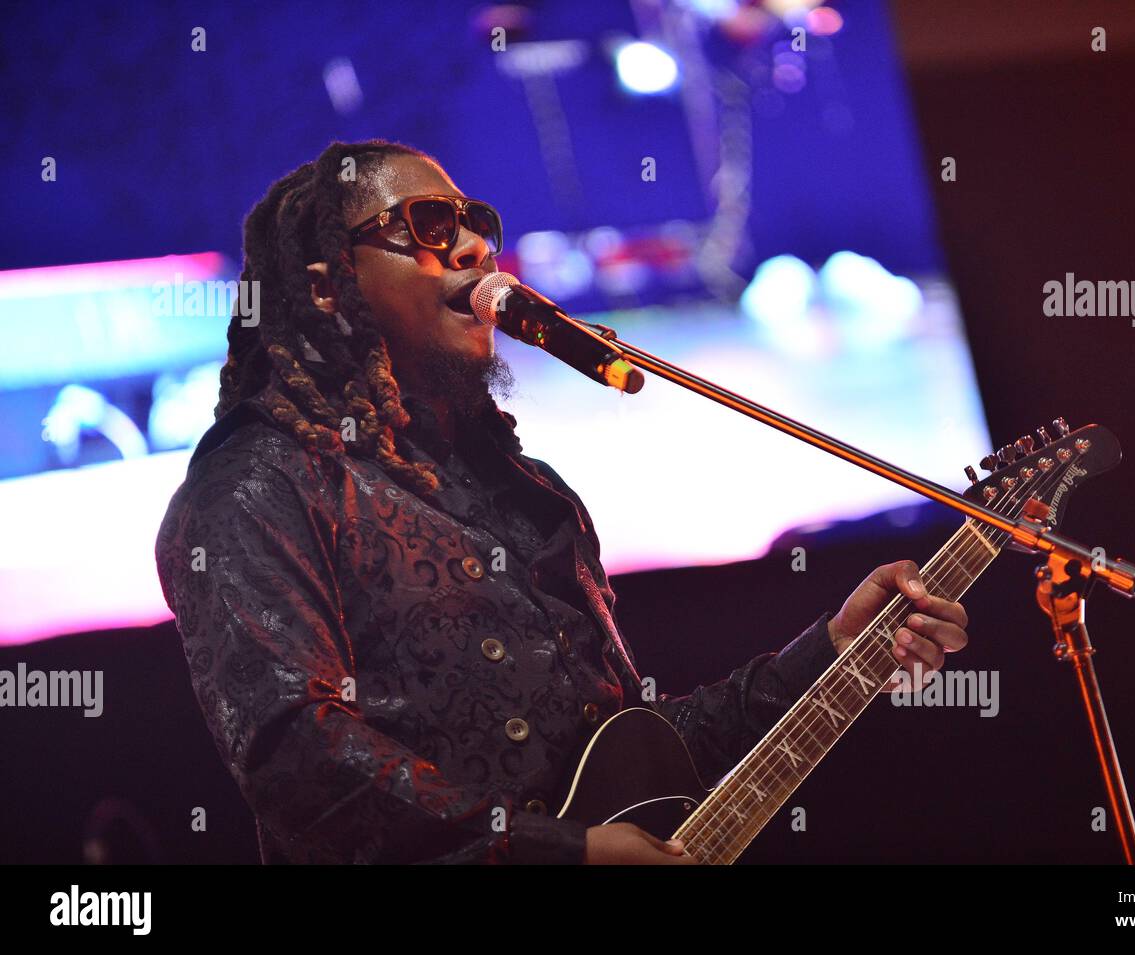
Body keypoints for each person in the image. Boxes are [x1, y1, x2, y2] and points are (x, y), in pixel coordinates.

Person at [154, 139, 969, 864]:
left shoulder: (529, 491)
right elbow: (299, 759)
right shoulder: (258, 484)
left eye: (475, 221)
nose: (475, 244)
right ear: (328, 288)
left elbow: (637, 758)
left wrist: (831, 651)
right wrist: (563, 852)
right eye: (431, 224)